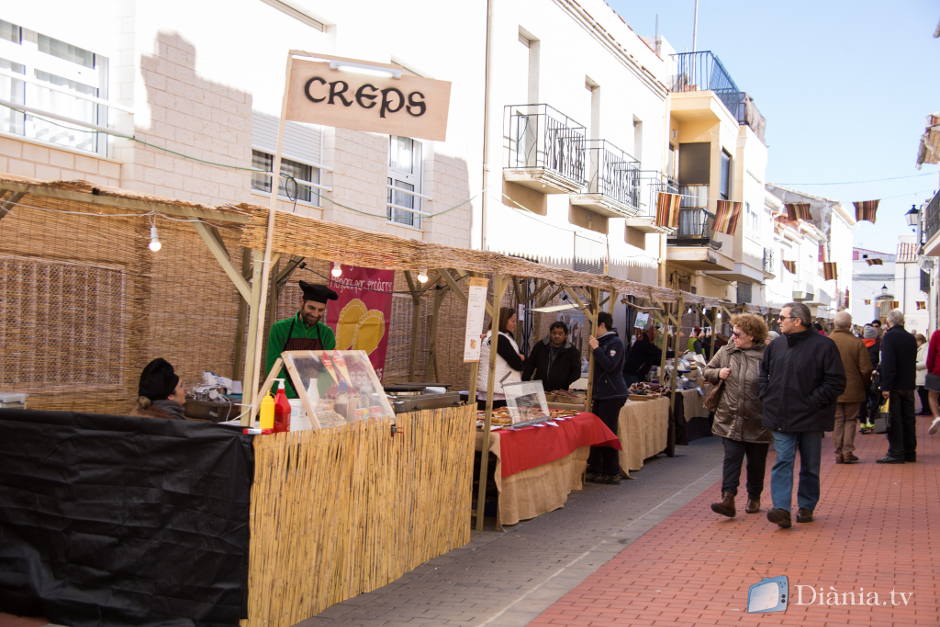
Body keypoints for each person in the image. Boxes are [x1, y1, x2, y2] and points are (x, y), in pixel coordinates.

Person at [760, 302, 845, 528]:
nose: (778, 321)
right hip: (780, 413)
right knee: (783, 460)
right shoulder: (776, 345)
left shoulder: (824, 346)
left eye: (782, 317)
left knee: (810, 465)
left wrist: (812, 401)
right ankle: (781, 508)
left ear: (797, 321)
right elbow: (763, 374)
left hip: (811, 416)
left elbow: (835, 381)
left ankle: (806, 505)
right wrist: (766, 394)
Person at [703, 314, 770, 517]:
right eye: (733, 333)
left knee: (756, 462)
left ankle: (754, 497)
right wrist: (718, 373)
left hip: (758, 419)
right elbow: (707, 370)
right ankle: (728, 498)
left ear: (751, 335)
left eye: (737, 334)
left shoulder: (767, 356)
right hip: (730, 417)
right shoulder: (726, 351)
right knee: (732, 459)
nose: (733, 337)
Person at [266, 280, 337, 398]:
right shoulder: (279, 329)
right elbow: (273, 367)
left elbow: (328, 371)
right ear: (302, 302)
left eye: (320, 310)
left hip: (314, 397)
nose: (315, 314)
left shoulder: (327, 334)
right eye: (311, 308)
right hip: (284, 397)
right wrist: (292, 398)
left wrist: (314, 395)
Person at [586, 311, 628, 484]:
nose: (591, 330)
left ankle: (612, 471)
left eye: (593, 326)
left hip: (612, 394)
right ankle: (595, 468)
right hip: (600, 394)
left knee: (608, 432)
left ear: (602, 325)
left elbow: (610, 366)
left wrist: (596, 349)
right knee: (597, 432)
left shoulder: (615, 343)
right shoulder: (602, 342)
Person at [829, 312, 873, 464]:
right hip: (853, 387)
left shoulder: (827, 341)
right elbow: (866, 368)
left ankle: (838, 452)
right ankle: (847, 451)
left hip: (831, 388)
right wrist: (863, 383)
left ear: (835, 324)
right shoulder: (856, 343)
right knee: (850, 420)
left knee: (837, 420)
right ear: (849, 325)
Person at [876, 309, 917, 464]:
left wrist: (885, 386)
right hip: (908, 384)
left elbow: (888, 363)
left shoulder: (889, 337)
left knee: (894, 419)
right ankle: (910, 451)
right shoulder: (910, 338)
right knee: (908, 419)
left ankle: (896, 452)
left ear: (889, 322)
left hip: (894, 385)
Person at [477, 307, 524, 409]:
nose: (515, 324)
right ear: (503, 321)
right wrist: (519, 358)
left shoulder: (497, 336)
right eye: (512, 321)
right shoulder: (499, 338)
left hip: (495, 390)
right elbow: (517, 363)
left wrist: (520, 357)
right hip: (497, 394)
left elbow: (522, 357)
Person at [523, 321, 582, 392]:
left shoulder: (572, 351)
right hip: (539, 389)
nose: (557, 336)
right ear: (550, 333)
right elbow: (530, 365)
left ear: (566, 335)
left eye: (560, 334)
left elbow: (576, 372)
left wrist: (567, 386)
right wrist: (524, 383)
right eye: (554, 333)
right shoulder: (540, 346)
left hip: (560, 392)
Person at [858, 324, 881, 433]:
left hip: (861, 377)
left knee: (862, 401)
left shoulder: (859, 345)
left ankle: (862, 423)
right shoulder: (877, 346)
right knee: (875, 399)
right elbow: (880, 361)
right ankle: (871, 421)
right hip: (874, 376)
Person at [925, 329, 940, 434]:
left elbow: (931, 354)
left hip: (937, 370)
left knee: (932, 396)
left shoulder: (937, 334)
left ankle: (937, 417)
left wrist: (930, 369)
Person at [915, 333, 929, 415]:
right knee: (922, 393)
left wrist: (915, 365)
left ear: (920, 341)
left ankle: (926, 410)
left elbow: (926, 362)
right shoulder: (922, 348)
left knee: (924, 393)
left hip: (923, 375)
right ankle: (925, 408)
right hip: (921, 376)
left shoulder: (925, 349)